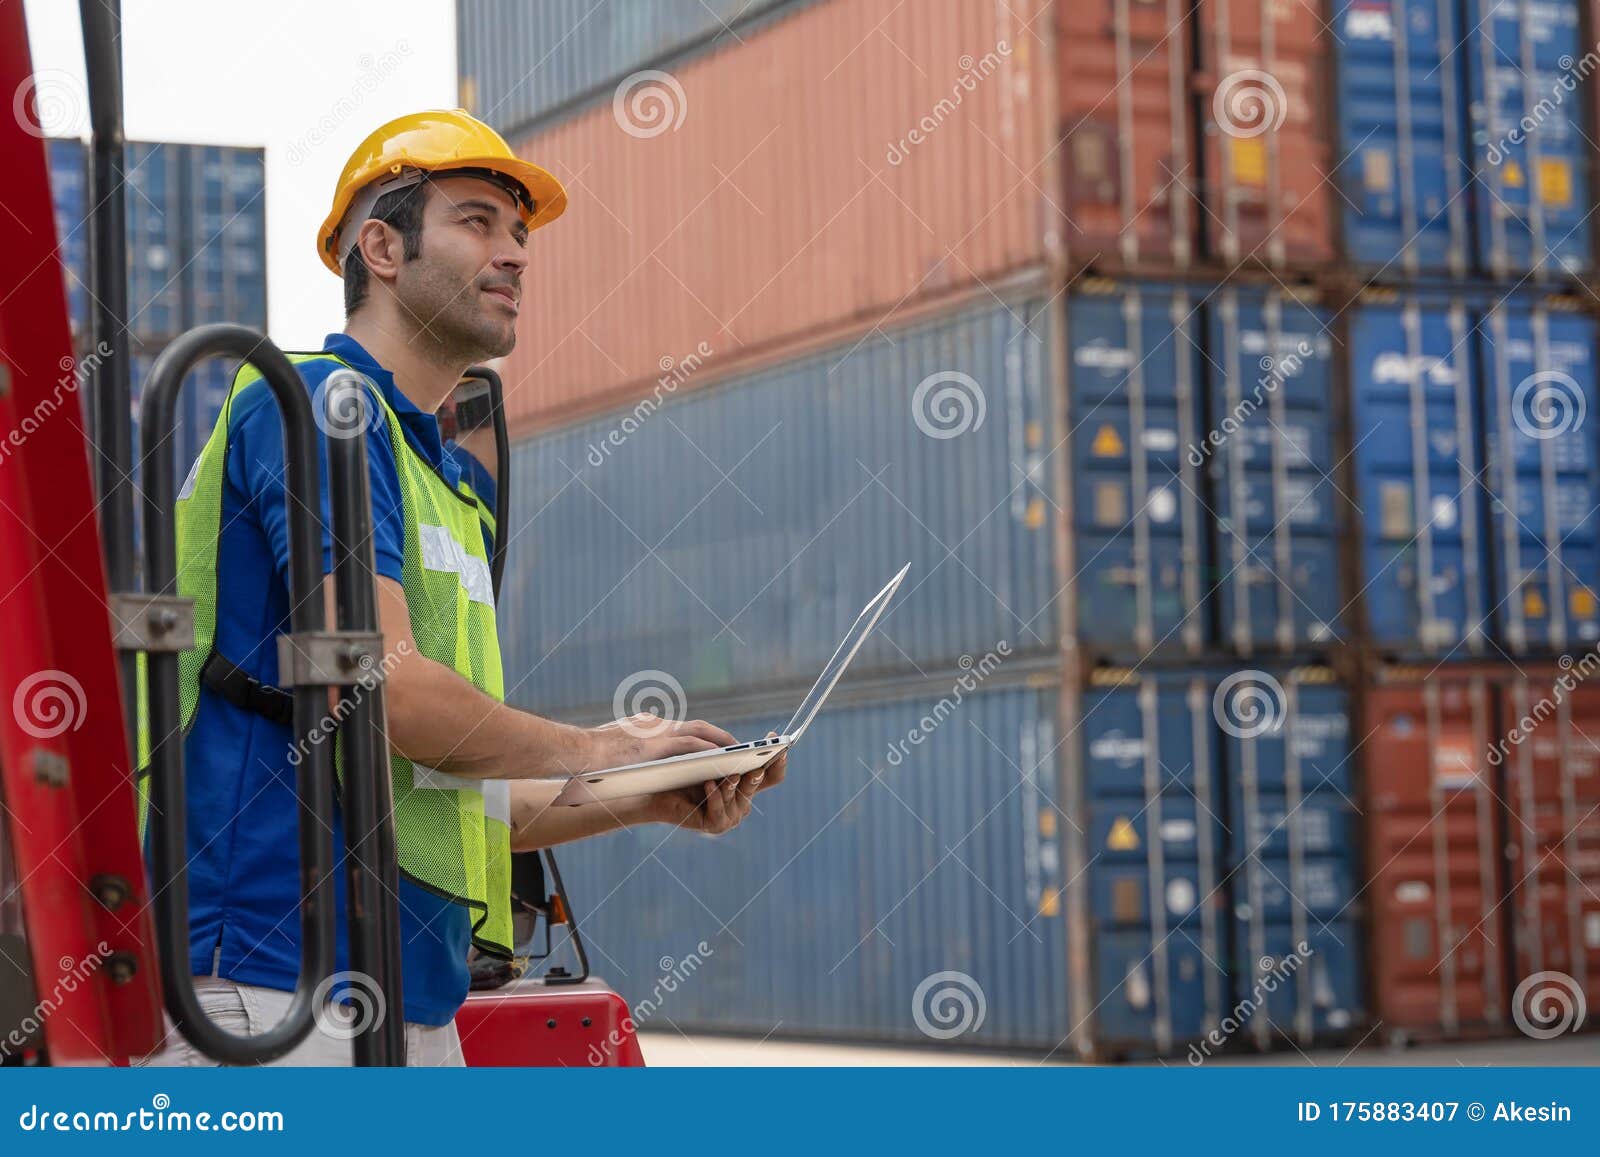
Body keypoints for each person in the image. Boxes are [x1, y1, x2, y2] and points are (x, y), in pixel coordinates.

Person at [140, 109, 785, 1067]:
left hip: (410, 992)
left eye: (520, 235)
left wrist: (648, 789)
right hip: (273, 982)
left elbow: (458, 784)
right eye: (478, 221)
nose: (515, 255)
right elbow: (392, 694)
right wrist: (608, 740)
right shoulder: (318, 405)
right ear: (383, 248)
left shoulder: (442, 479)